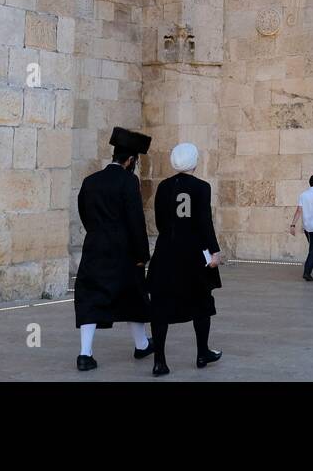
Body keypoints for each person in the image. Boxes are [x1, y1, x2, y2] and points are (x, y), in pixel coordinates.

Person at [73, 127, 155, 371]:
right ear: (130, 161)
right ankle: (141, 345)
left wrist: (99, 234)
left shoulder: (90, 181)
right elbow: (135, 220)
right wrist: (142, 254)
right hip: (124, 251)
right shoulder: (129, 181)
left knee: (90, 298)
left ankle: (85, 354)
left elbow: (84, 213)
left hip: (95, 248)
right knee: (133, 297)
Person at [145, 142, 223, 376]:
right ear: (194, 161)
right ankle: (202, 352)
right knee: (201, 301)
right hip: (193, 252)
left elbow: (159, 221)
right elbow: (204, 221)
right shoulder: (202, 187)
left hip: (166, 251)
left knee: (160, 305)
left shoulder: (164, 187)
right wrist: (214, 250)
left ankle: (159, 361)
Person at [289, 174, 313, 280]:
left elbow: (299, 210)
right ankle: (307, 272)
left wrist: (293, 224)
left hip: (307, 226)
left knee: (312, 248)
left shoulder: (303, 195)